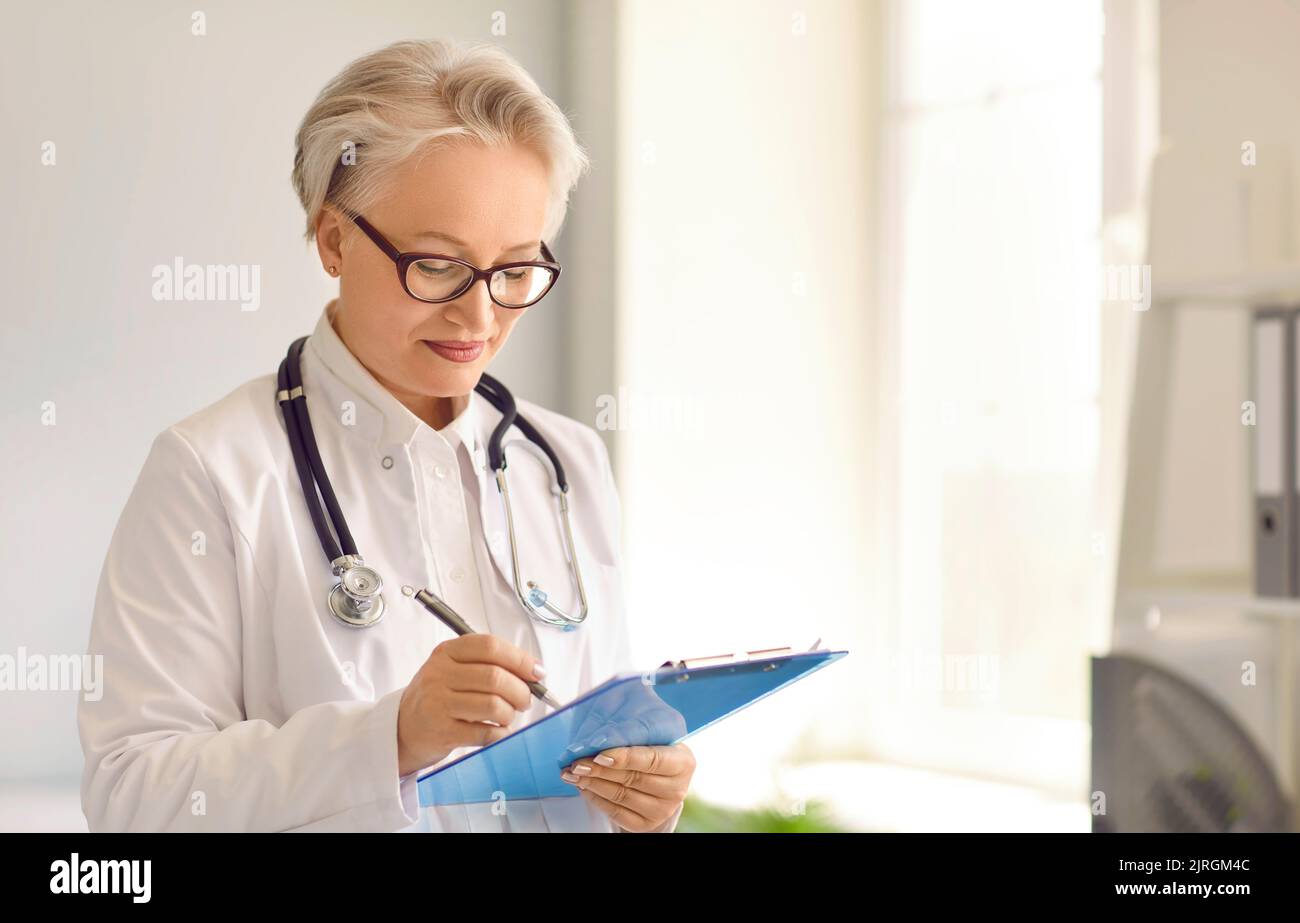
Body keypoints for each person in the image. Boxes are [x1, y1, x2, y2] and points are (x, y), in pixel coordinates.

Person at [77, 38, 694, 832]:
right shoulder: (212, 473)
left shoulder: (565, 460)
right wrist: (389, 737)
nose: (479, 318)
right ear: (334, 239)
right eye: (437, 266)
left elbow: (595, 736)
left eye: (514, 270)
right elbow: (134, 797)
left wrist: (641, 798)